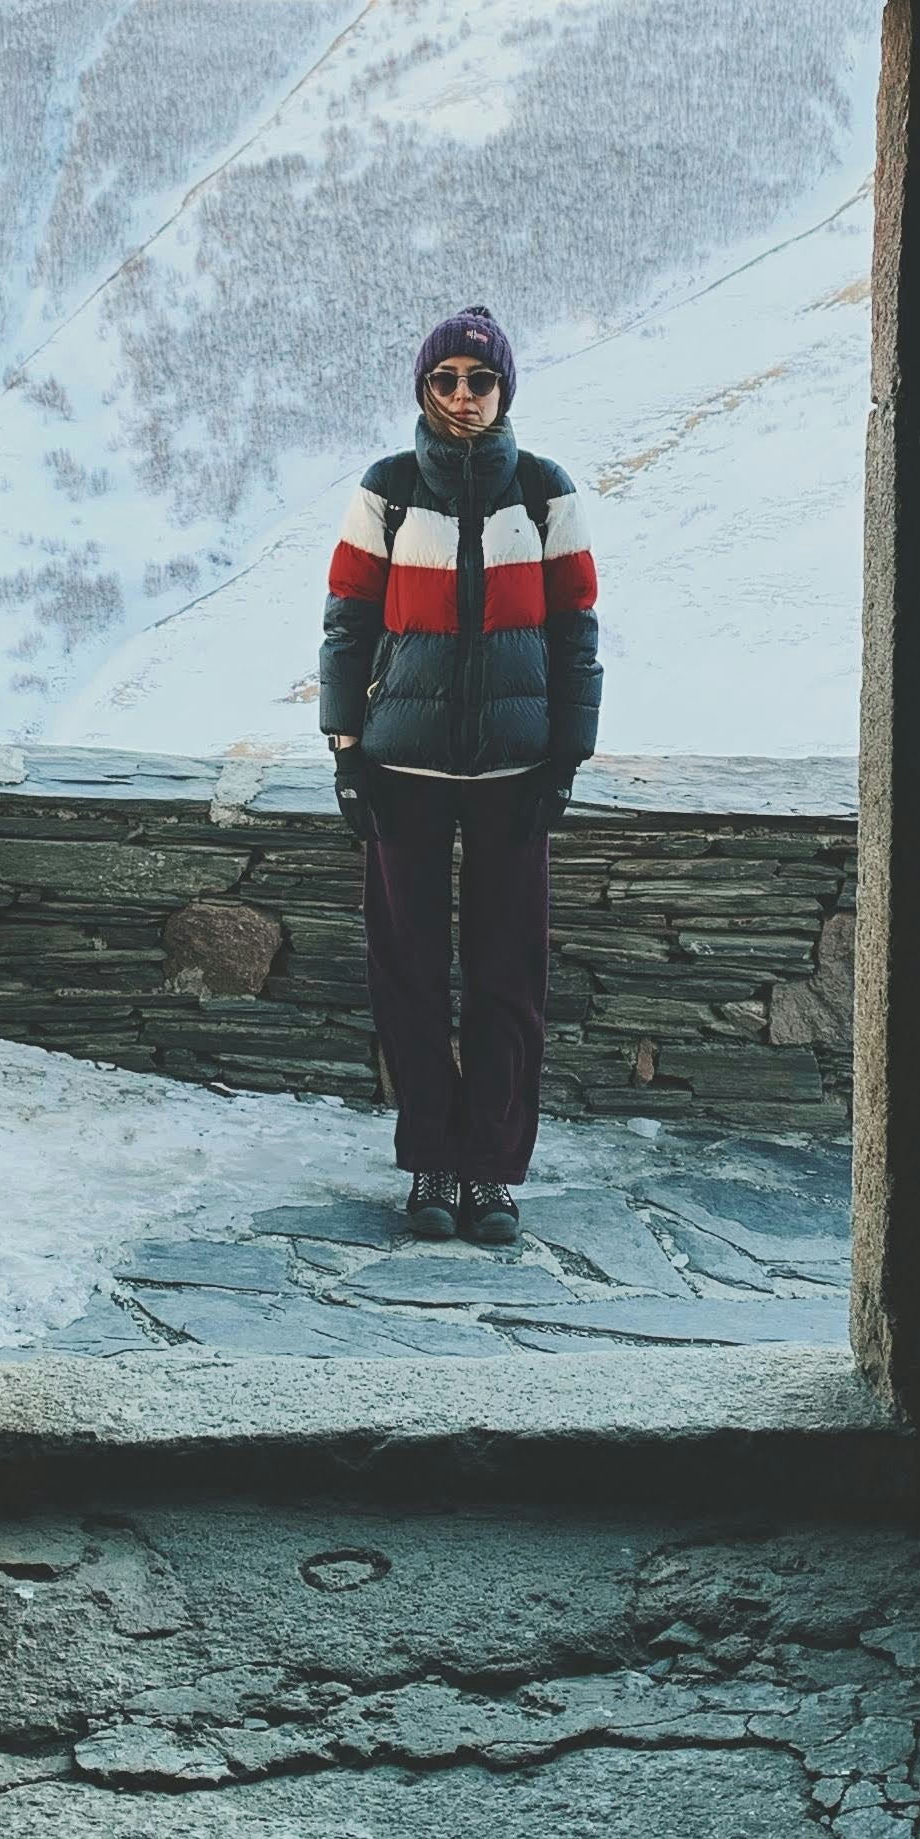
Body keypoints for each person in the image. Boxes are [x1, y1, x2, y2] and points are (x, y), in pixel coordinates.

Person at [316, 306, 601, 1239]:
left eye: (481, 381)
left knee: (505, 975)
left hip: (515, 774)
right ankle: (433, 1165)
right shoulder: (388, 491)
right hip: (403, 770)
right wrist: (347, 753)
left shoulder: (546, 492)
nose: (464, 398)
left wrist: (568, 755)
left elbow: (574, 632)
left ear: (505, 389)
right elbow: (348, 623)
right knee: (408, 973)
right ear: (424, 390)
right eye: (447, 382)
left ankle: (492, 1170)